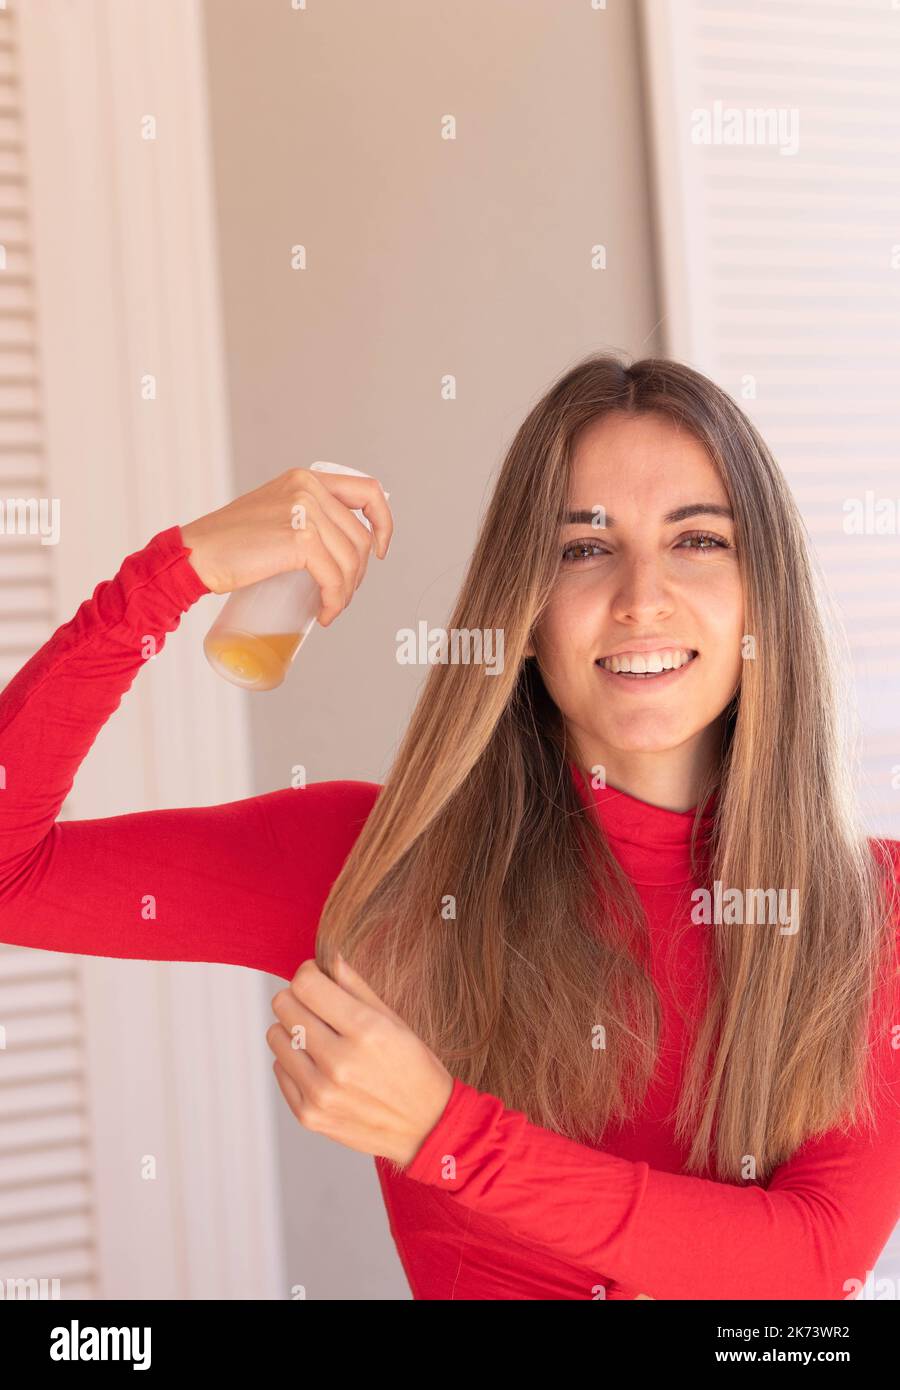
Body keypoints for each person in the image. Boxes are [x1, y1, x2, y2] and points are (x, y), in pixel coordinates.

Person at [1, 353, 897, 1301]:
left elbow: (811, 1263)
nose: (642, 597)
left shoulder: (874, 914)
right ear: (523, 610)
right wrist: (174, 571)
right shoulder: (382, 870)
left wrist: (446, 1135)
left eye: (698, 541)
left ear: (768, 593)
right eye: (582, 549)